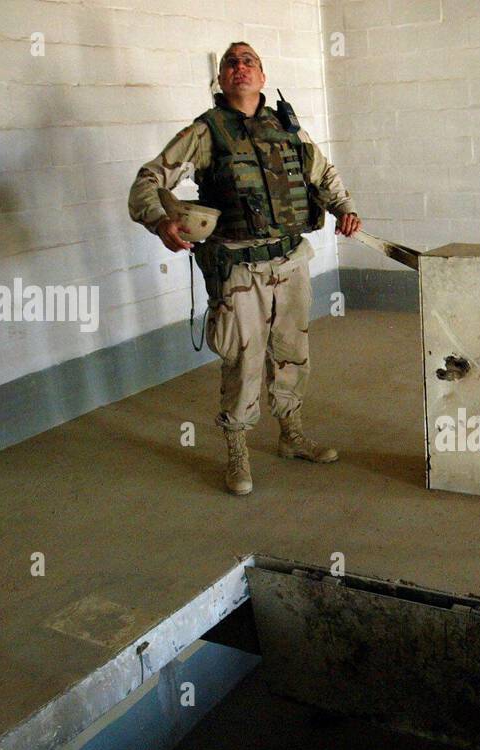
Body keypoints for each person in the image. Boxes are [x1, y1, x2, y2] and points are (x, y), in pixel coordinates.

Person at [128, 41, 361, 495]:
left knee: (293, 352)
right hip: (239, 270)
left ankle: (291, 434)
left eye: (248, 61)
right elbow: (149, 179)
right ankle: (237, 449)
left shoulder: (288, 128)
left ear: (263, 75)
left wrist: (344, 208)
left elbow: (323, 174)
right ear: (221, 79)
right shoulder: (206, 132)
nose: (240, 67)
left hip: (291, 261)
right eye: (231, 62)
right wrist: (159, 221)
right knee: (244, 359)